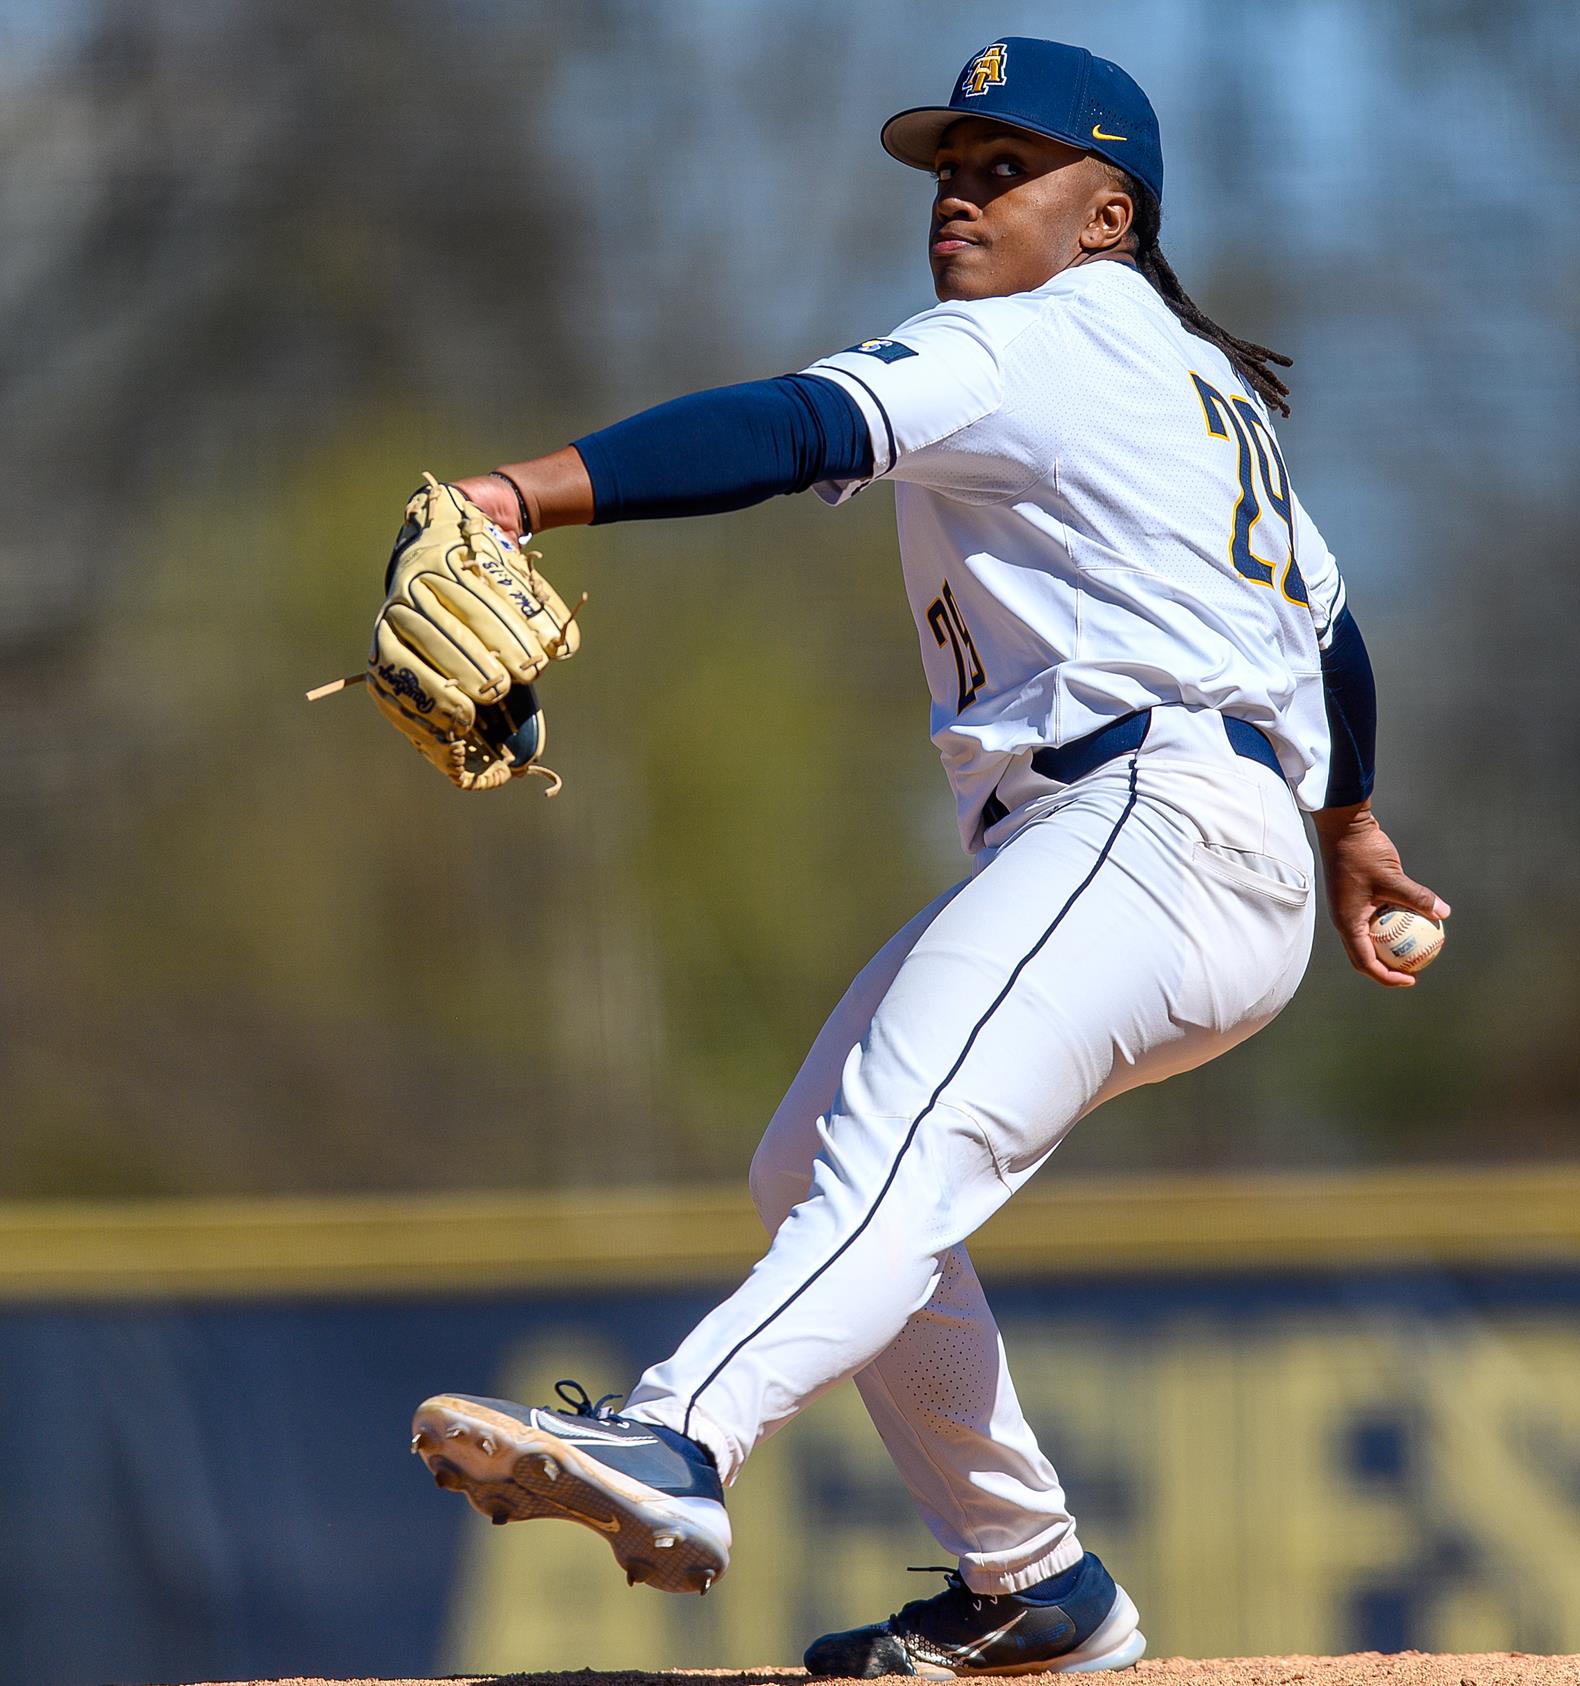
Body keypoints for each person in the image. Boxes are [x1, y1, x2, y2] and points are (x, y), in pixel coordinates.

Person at [410, 36, 1447, 1679]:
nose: (960, 191)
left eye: (1005, 165)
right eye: (950, 167)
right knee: (814, 1151)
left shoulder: (1029, 343)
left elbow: (798, 423)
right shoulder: (1198, 379)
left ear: (1110, 211)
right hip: (1171, 838)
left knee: (891, 1140)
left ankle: (681, 1435)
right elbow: (1334, 628)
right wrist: (1353, 823)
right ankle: (1032, 1576)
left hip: (1143, 823)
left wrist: (515, 495)